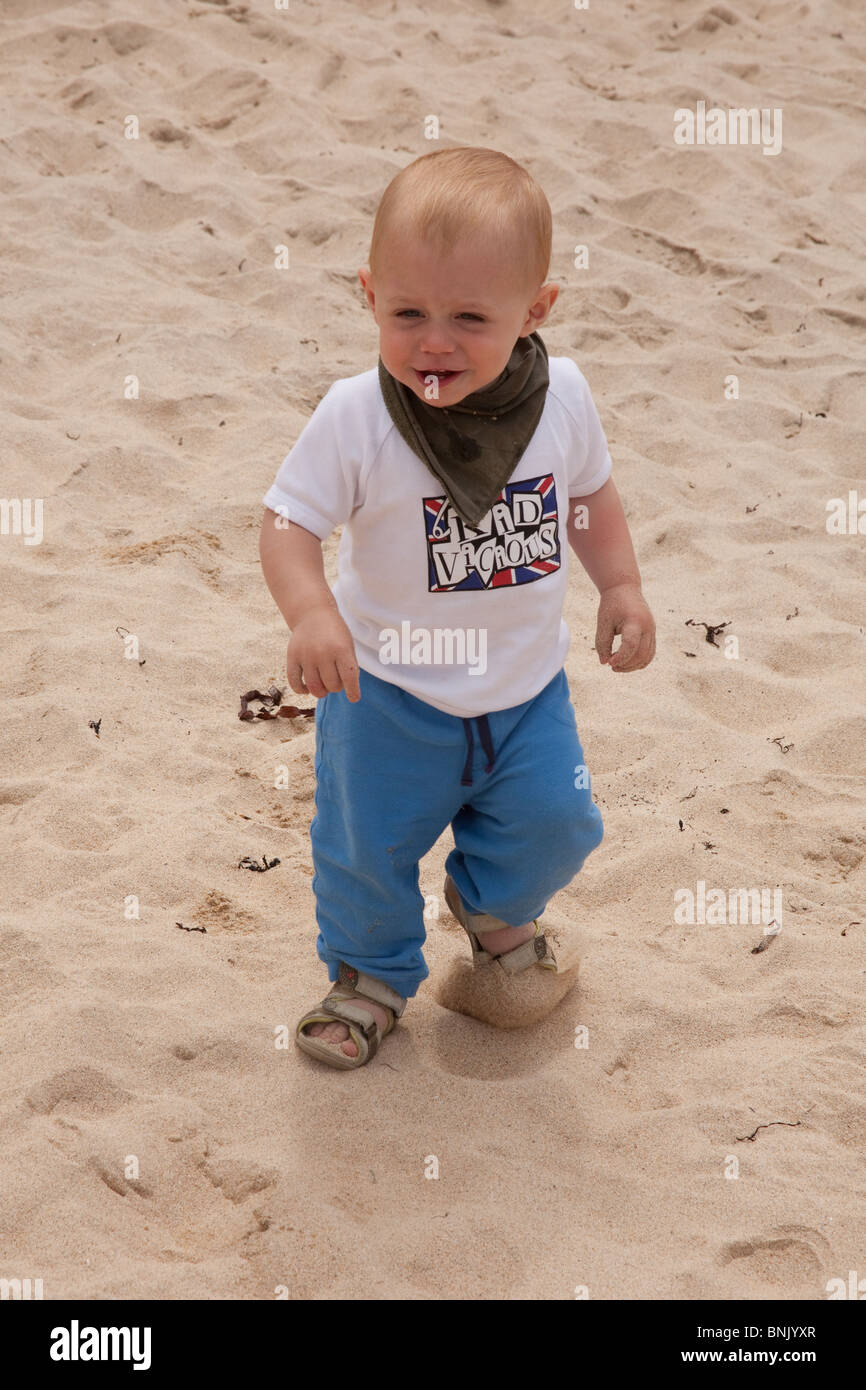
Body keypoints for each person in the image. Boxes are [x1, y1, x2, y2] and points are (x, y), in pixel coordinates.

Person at [259, 147, 656, 1069]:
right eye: (408, 314)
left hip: (525, 694)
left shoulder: (564, 399)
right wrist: (311, 611)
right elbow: (287, 522)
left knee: (560, 821)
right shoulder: (358, 414)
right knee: (365, 849)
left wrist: (622, 584)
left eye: (470, 318)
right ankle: (369, 978)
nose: (433, 343)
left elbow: (591, 498)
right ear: (369, 295)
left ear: (537, 311)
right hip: (387, 695)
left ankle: (492, 913)